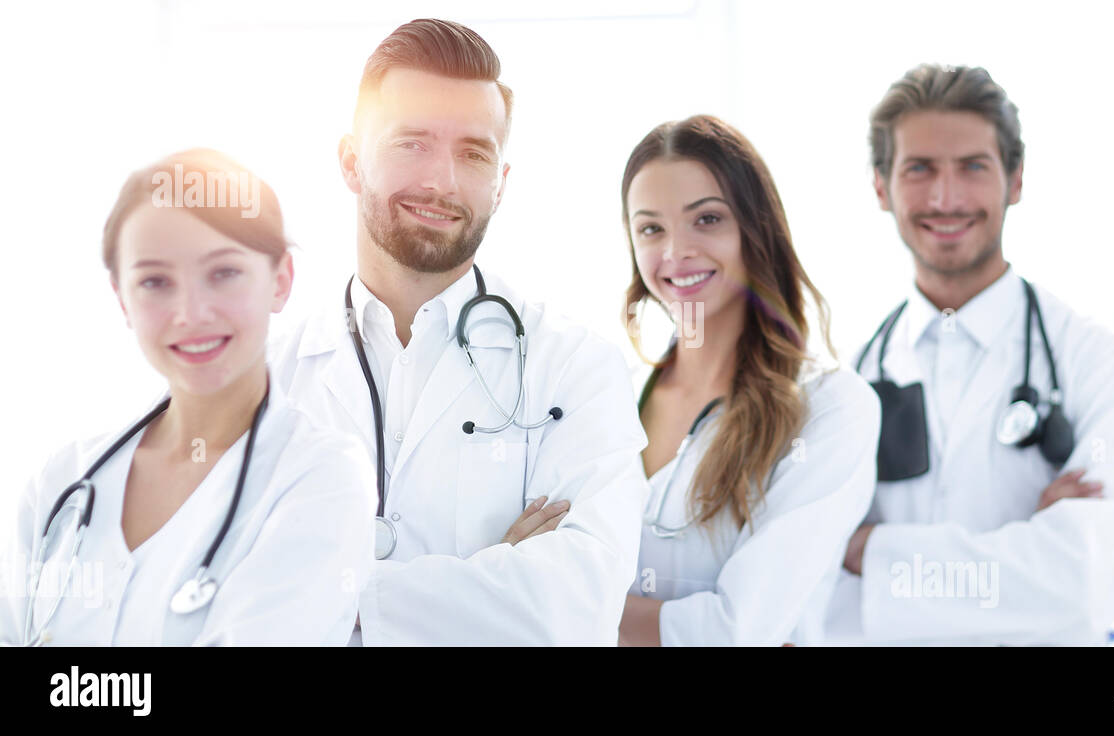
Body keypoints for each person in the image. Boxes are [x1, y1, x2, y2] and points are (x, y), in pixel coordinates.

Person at [269, 18, 648, 644]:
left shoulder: (576, 367)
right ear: (350, 161)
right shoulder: (265, 380)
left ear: (501, 183)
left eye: (473, 153)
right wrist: (489, 579)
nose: (442, 181)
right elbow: (217, 598)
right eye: (411, 143)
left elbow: (572, 611)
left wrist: (328, 594)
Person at [824, 64, 1114, 644]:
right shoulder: (840, 380)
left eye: (973, 167)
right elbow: (813, 596)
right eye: (919, 168)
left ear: (1016, 178)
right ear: (881, 186)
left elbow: (1079, 588)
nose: (945, 197)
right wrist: (1024, 553)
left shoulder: (1105, 363)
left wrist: (869, 550)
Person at [0, 149, 373, 646]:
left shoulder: (322, 476)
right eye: (155, 282)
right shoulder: (63, 480)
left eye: (223, 274)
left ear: (280, 281)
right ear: (122, 299)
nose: (190, 312)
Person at [617, 116, 880, 646]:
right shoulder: (608, 398)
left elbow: (737, 630)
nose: (676, 252)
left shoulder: (830, 406)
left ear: (755, 229)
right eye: (651, 228)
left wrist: (579, 609)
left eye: (707, 219)